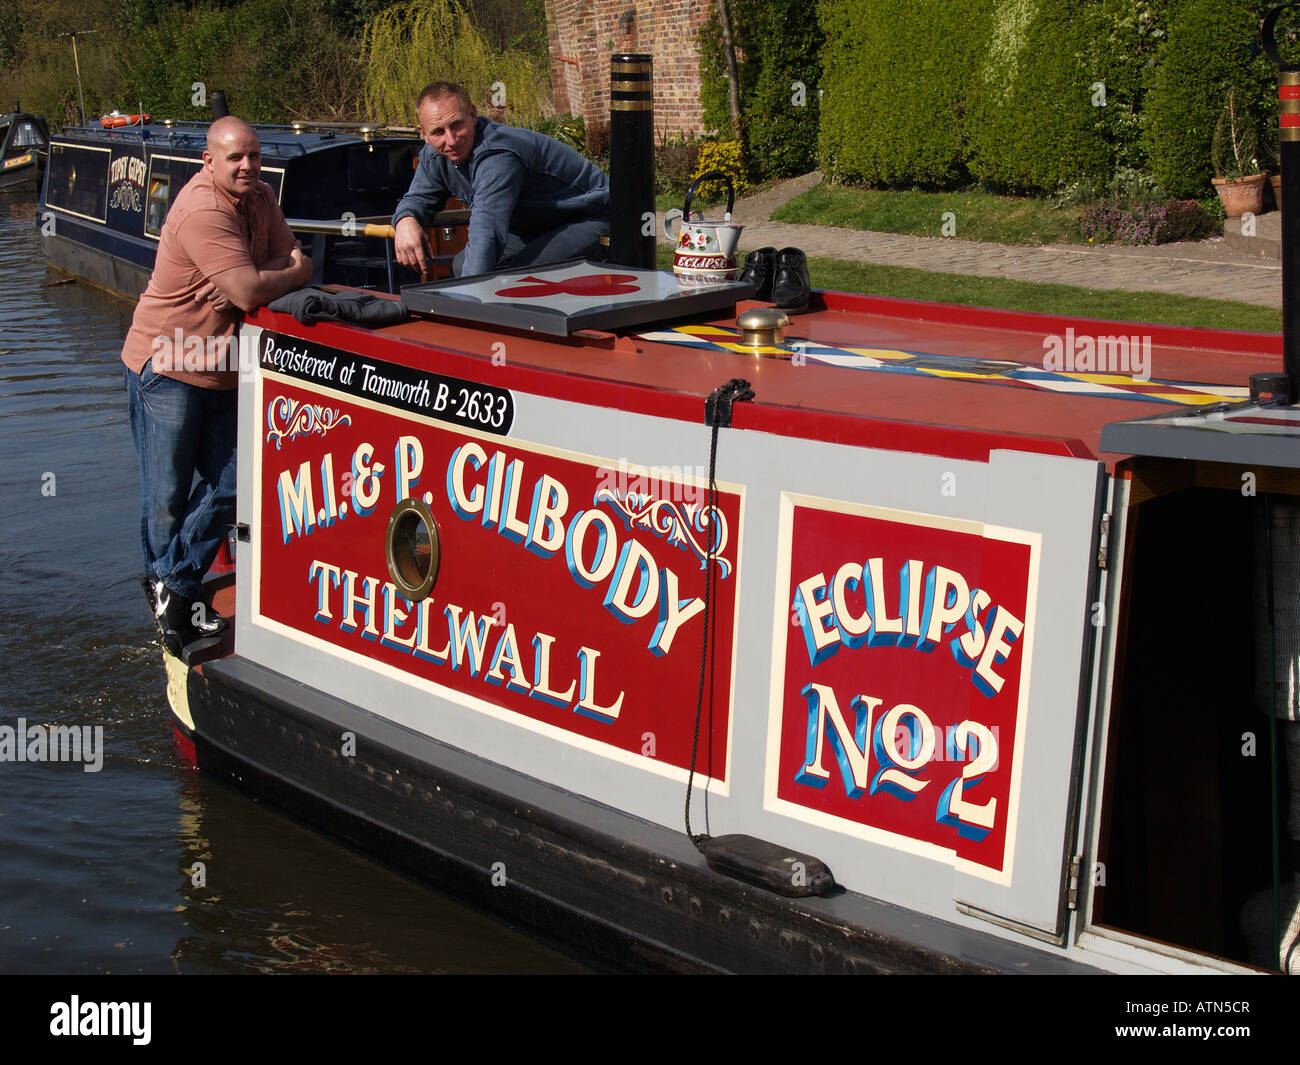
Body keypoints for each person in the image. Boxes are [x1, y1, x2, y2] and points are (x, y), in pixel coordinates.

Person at [121, 116, 312, 654]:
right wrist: (276, 271)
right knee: (166, 497)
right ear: (210, 161)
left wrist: (272, 271)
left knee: (239, 481)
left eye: (253, 155)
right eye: (235, 158)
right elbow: (253, 288)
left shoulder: (260, 198)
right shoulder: (203, 210)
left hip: (220, 367)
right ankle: (173, 603)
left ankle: (173, 589)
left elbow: (284, 263)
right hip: (167, 365)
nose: (248, 165)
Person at [393, 82, 609, 278]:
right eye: (438, 131)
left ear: (473, 115)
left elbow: (487, 230)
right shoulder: (434, 156)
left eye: (457, 125)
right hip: (532, 228)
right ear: (424, 134)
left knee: (521, 275)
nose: (451, 139)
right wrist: (406, 221)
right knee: (461, 266)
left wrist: (467, 303)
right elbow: (418, 199)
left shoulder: (497, 155)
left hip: (591, 216)